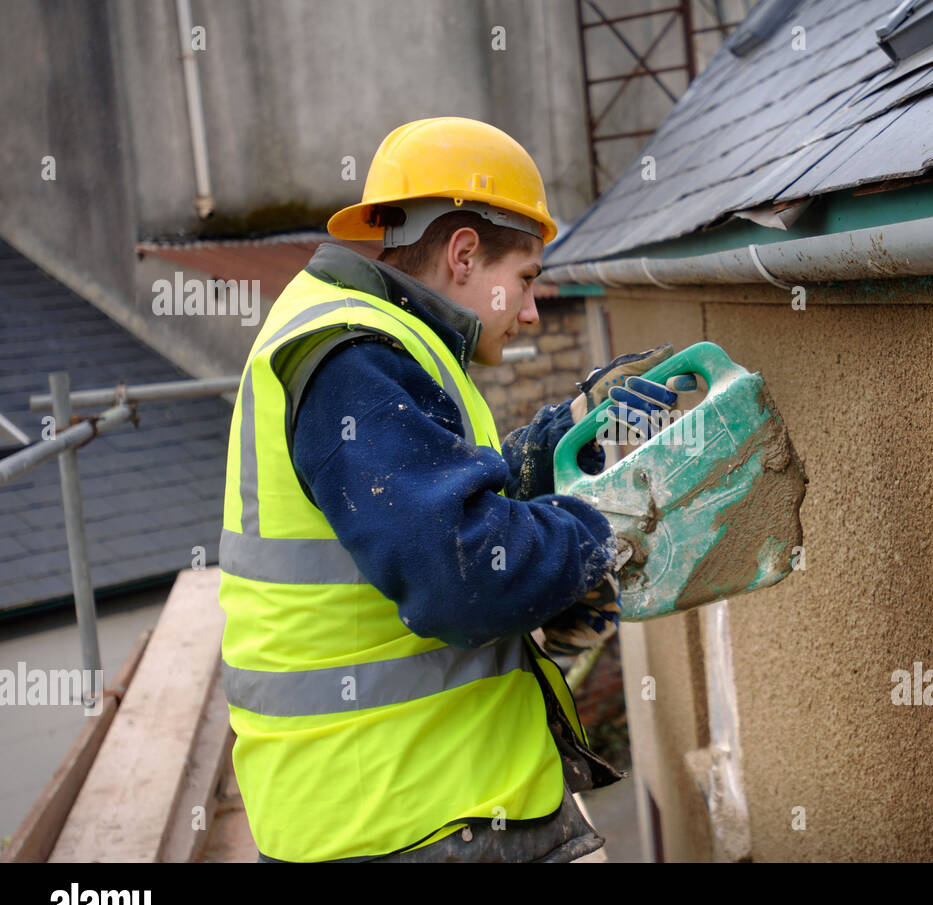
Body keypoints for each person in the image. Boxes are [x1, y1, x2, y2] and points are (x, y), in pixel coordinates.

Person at [217, 117, 679, 862]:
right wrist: (605, 527)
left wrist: (576, 431)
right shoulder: (352, 359)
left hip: (412, 806)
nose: (532, 311)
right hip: (406, 820)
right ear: (464, 253)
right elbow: (460, 570)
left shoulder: (379, 342)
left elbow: (447, 501)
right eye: (526, 279)